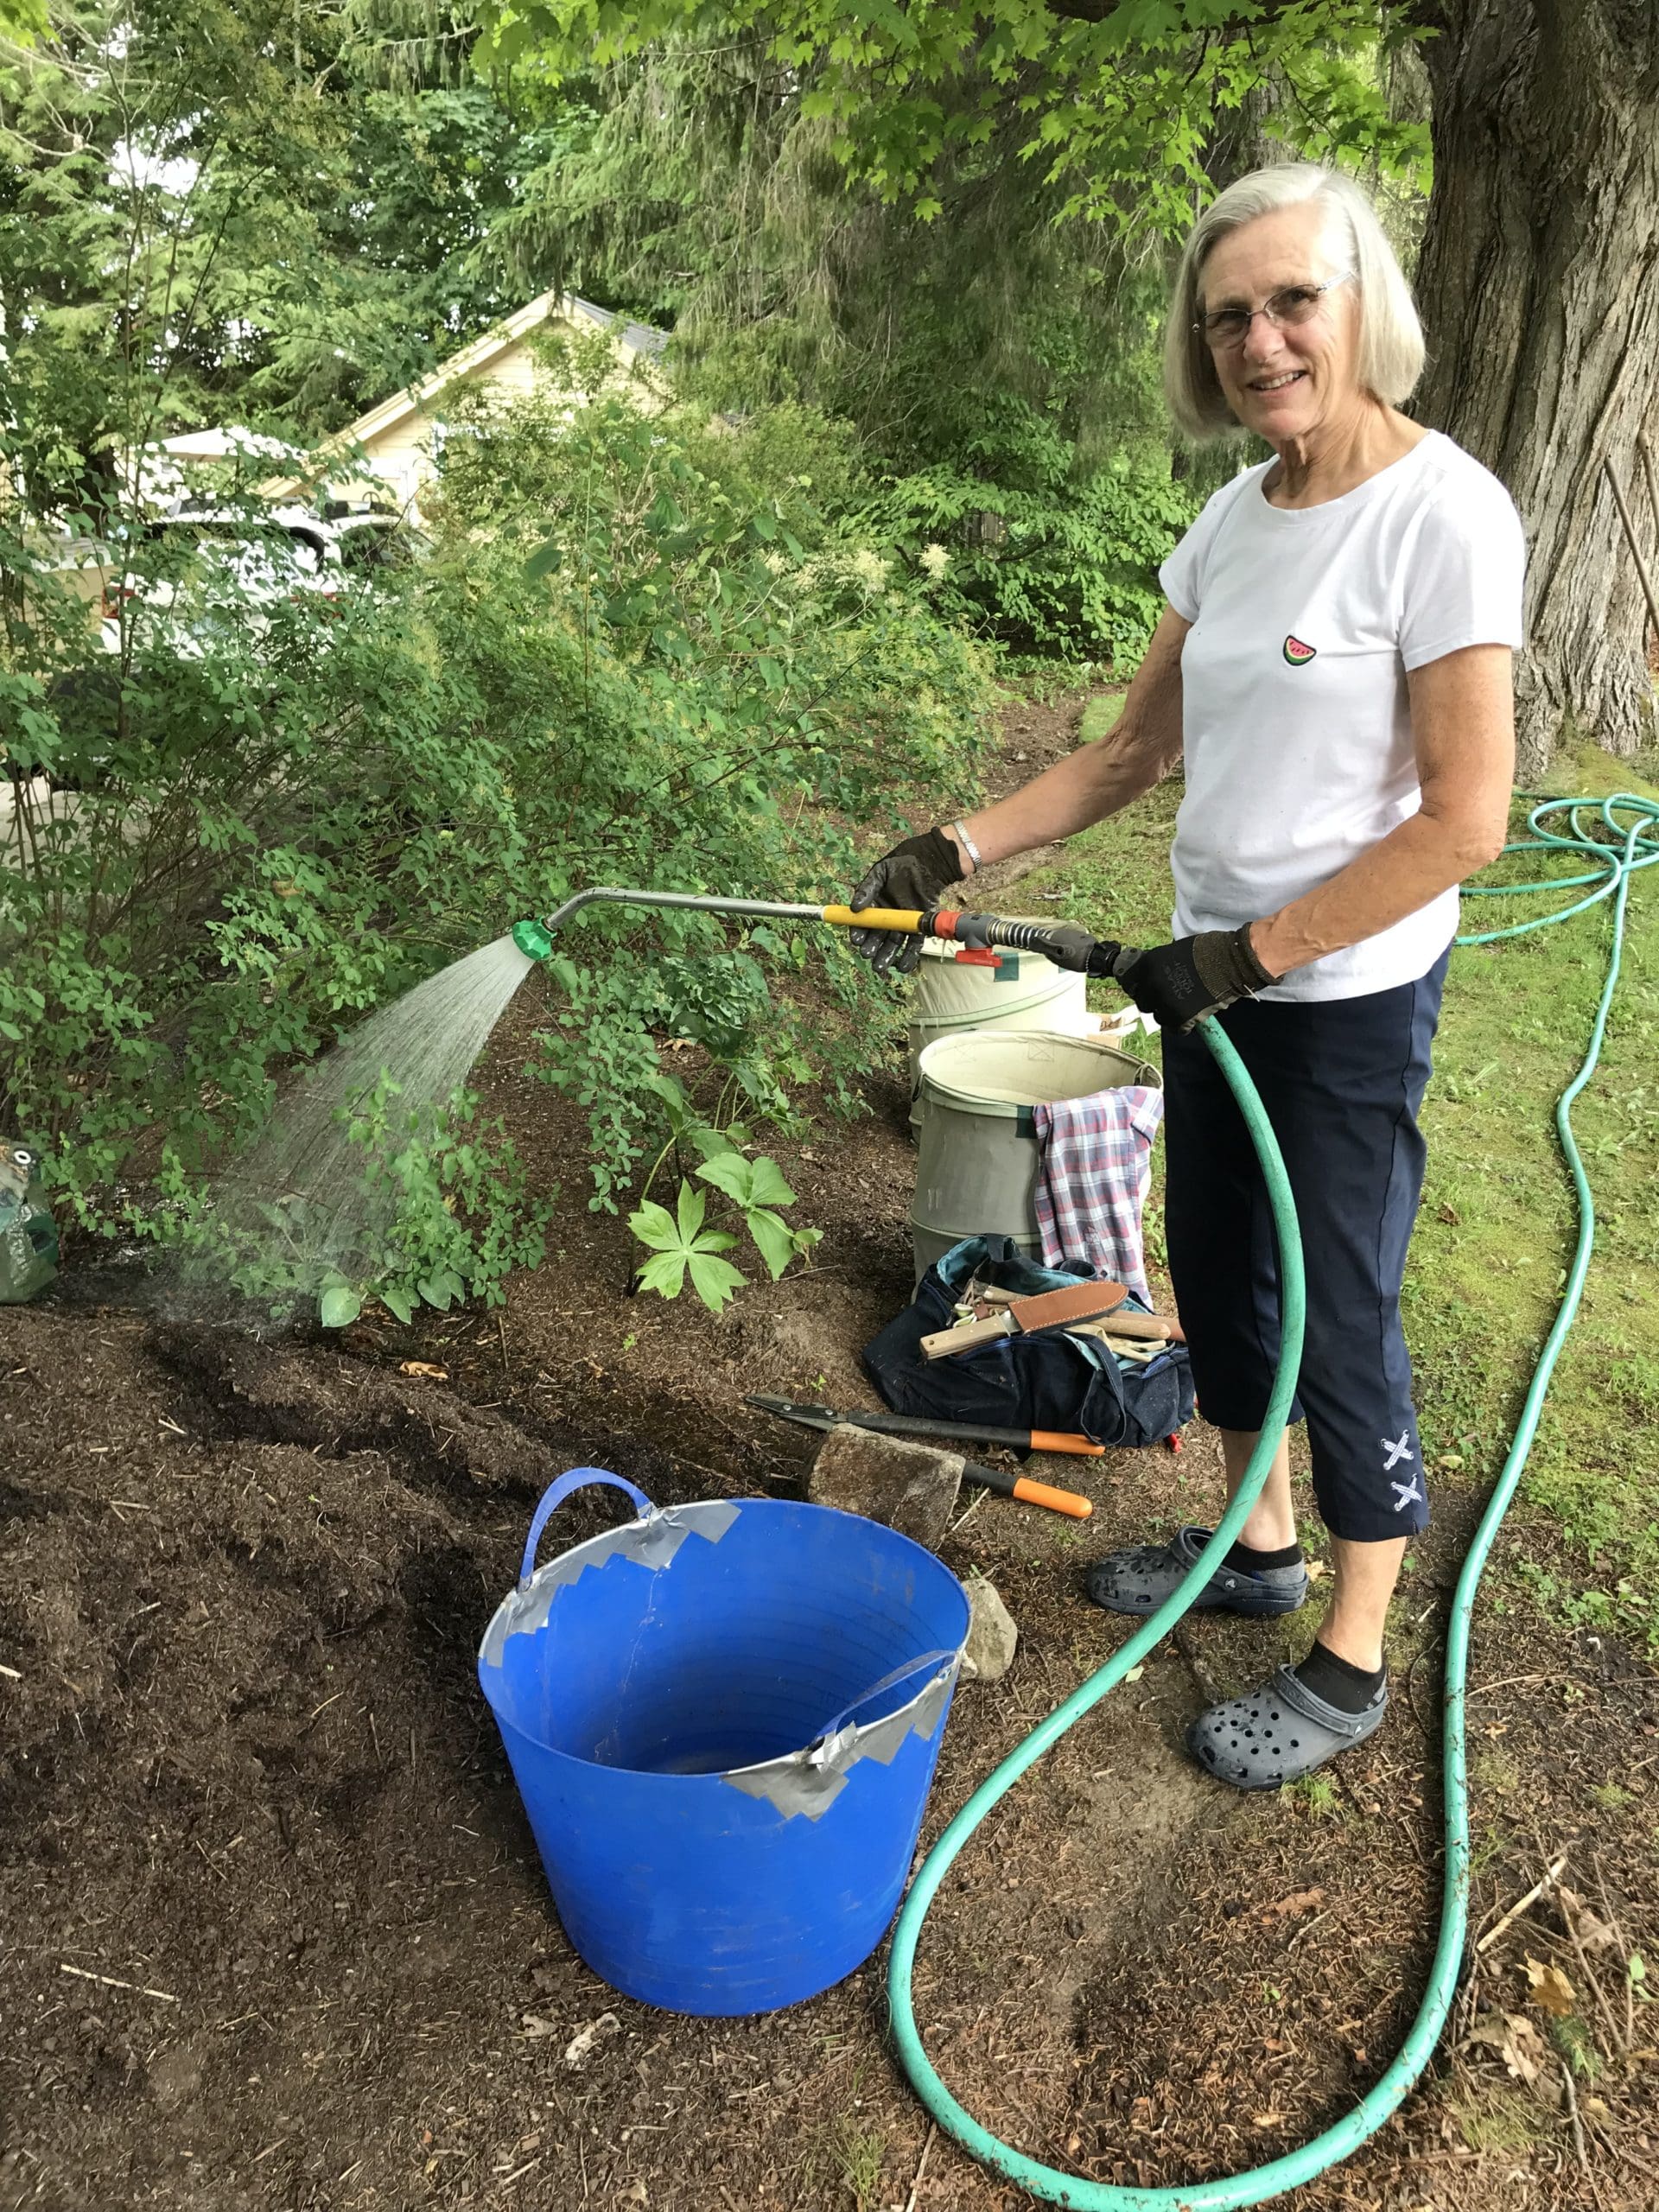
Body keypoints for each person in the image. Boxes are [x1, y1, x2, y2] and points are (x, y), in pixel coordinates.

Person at [847, 162, 1525, 1790]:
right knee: (1219, 1279)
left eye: (1293, 300)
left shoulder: (1443, 513)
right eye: (1229, 315)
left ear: (1363, 309)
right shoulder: (1234, 518)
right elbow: (1133, 747)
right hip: (1210, 994)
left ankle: (1353, 1654)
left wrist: (1256, 951)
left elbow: (1468, 819)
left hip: (1335, 1002)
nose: (1261, 338)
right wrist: (956, 847)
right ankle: (1258, 1547)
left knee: (1338, 1309)